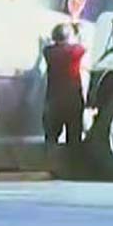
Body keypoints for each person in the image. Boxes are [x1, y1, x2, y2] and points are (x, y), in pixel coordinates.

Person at [42, 22, 86, 168]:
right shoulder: (75, 52)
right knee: (74, 137)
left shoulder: (48, 52)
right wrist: (78, 32)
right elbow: (82, 46)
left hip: (53, 100)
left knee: (51, 136)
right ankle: (73, 165)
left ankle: (50, 164)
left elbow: (46, 46)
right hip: (73, 100)